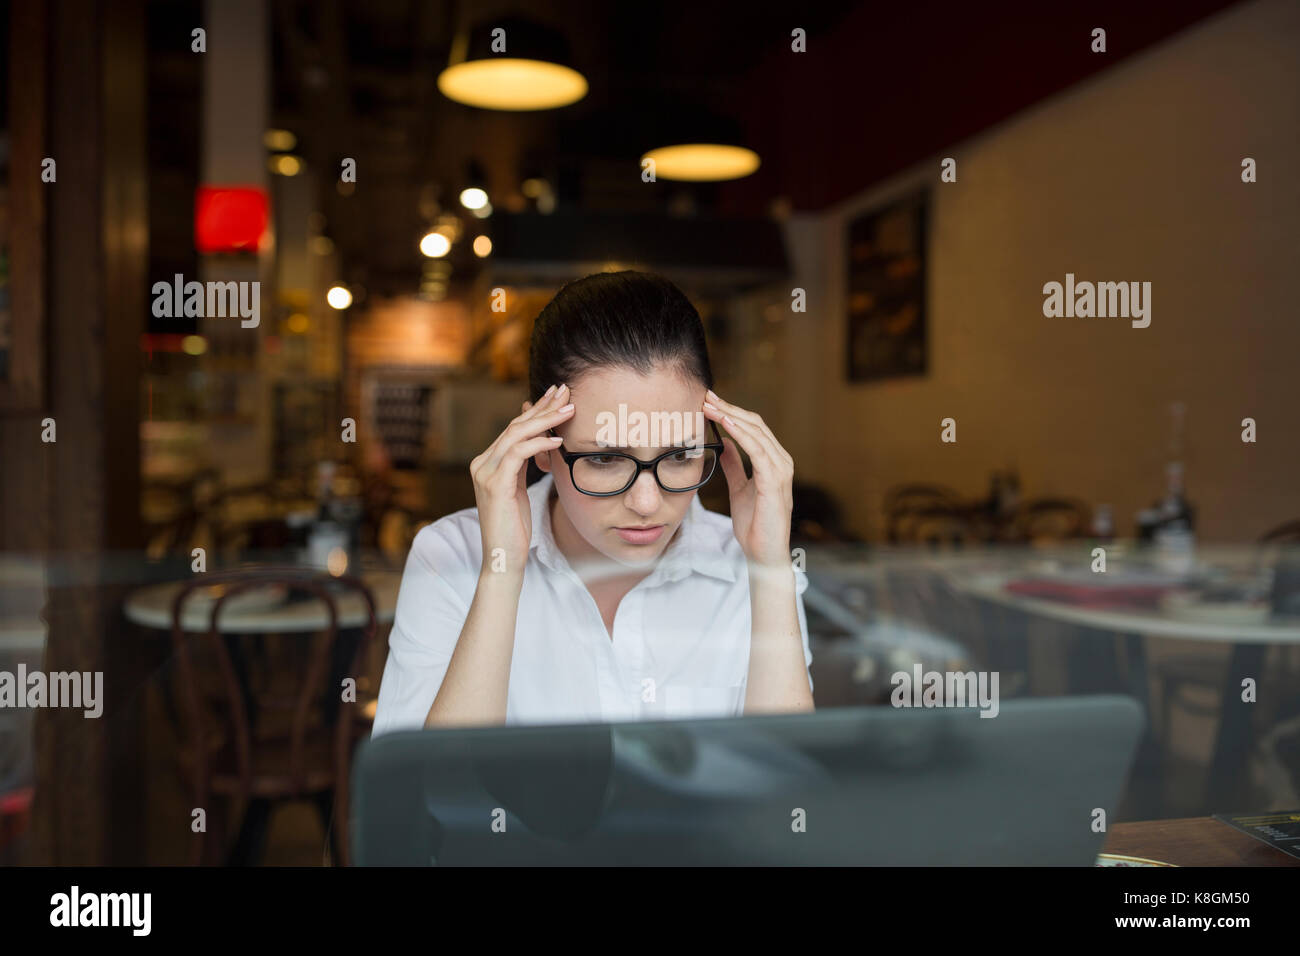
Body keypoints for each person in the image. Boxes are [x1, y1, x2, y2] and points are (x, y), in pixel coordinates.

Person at [372, 270, 814, 732]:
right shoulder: (452, 557)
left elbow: (783, 791)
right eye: (604, 457)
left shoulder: (748, 563)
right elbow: (437, 793)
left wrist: (770, 571)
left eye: (681, 454)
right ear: (540, 439)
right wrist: (502, 572)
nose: (646, 502)